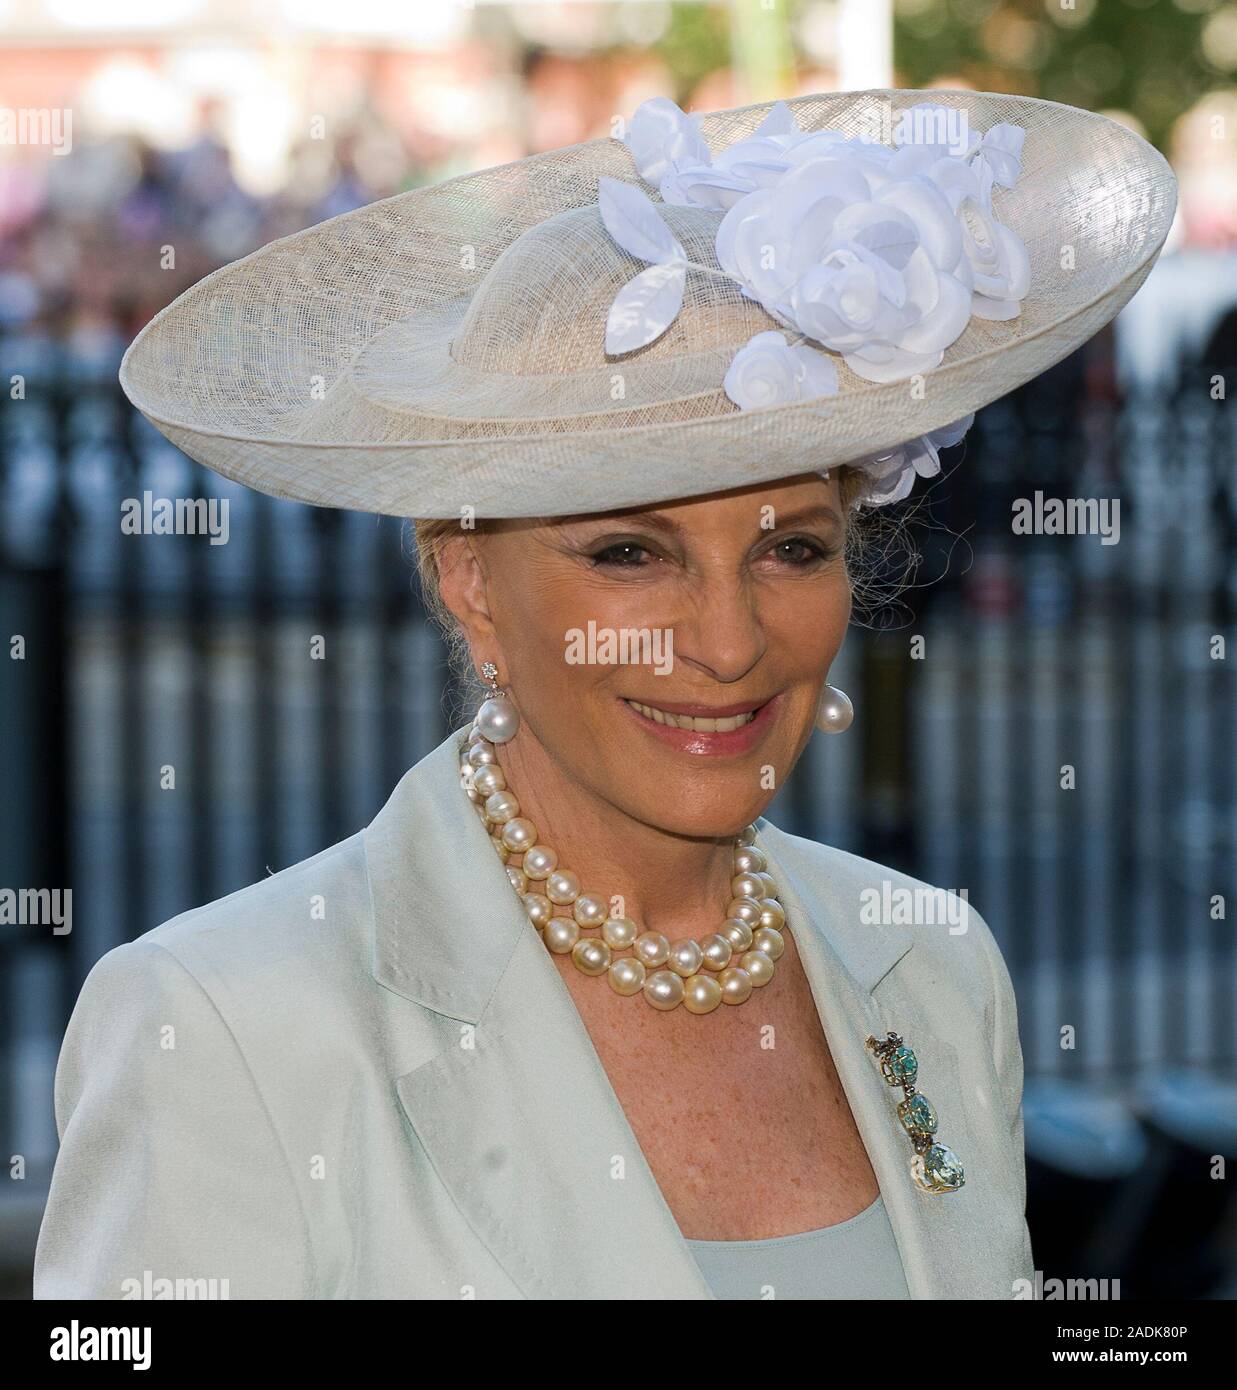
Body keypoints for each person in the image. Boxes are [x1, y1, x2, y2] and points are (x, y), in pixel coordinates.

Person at [33, 88, 1176, 1300]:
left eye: (790, 546)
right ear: (469, 578)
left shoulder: (935, 971)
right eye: (629, 552)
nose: (729, 642)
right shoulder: (225, 1028)